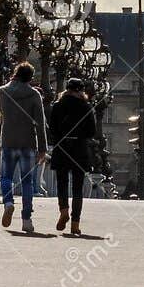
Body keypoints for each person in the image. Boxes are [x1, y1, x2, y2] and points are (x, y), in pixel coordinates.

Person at [0, 62, 48, 233]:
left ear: (15, 73)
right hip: (28, 143)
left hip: (8, 140)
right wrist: (42, 149)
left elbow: (1, 113)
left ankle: (8, 202)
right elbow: (40, 123)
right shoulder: (34, 94)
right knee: (27, 182)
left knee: (6, 177)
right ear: (30, 77)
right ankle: (26, 219)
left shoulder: (2, 91)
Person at [46, 76, 98, 236]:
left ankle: (63, 211)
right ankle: (75, 224)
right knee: (77, 188)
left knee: (62, 183)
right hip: (79, 149)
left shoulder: (57, 105)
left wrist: (61, 138)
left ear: (66, 89)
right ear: (81, 91)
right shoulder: (86, 107)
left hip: (62, 148)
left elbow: (52, 129)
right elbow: (92, 131)